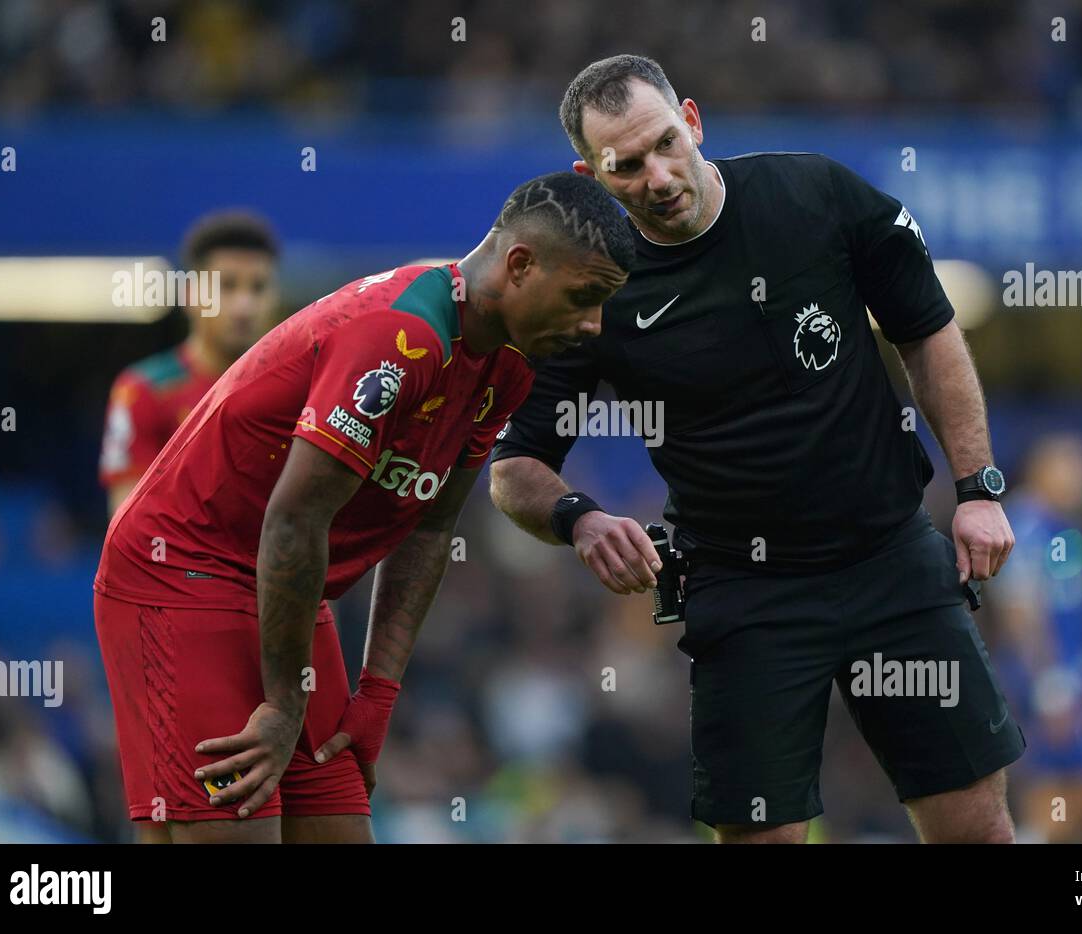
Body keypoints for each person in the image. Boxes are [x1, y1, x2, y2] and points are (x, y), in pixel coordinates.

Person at [490, 55, 1025, 843]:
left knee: (975, 830)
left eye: (668, 143)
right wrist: (577, 519)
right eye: (627, 166)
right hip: (745, 592)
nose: (660, 175)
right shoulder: (594, 289)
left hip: (891, 562)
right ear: (592, 174)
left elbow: (926, 328)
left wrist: (977, 488)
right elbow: (514, 466)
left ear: (694, 120)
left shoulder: (814, 194)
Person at [92, 172, 633, 843]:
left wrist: (377, 693)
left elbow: (430, 524)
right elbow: (296, 518)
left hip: (288, 589)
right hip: (181, 578)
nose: (592, 325)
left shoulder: (509, 366)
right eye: (586, 297)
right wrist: (287, 702)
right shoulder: (399, 338)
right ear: (520, 264)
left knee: (340, 829)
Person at [100, 211, 281, 516]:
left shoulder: (295, 391)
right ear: (191, 294)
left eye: (258, 288)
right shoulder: (143, 390)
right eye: (227, 286)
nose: (244, 305)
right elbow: (128, 524)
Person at [995, 434, 1082, 842]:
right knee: (1055, 787)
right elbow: (1019, 613)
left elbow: (1077, 609)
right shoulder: (1023, 524)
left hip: (1075, 673)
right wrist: (1049, 685)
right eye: (1074, 466)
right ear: (1043, 470)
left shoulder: (1067, 529)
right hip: (1045, 677)